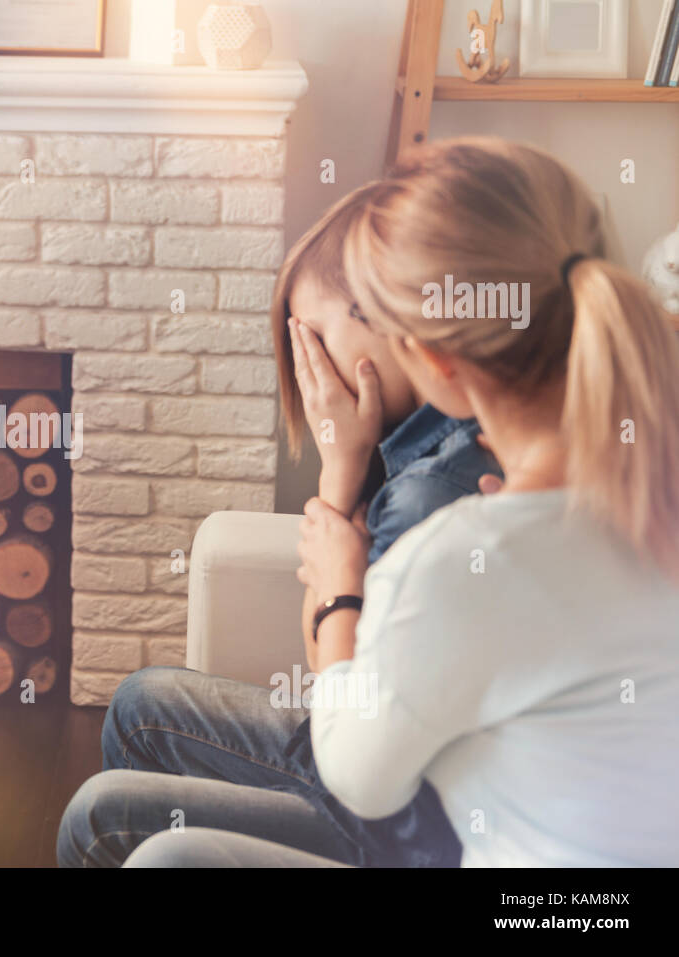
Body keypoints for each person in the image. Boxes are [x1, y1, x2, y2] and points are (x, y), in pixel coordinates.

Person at [126, 136, 679, 866]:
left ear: (430, 353)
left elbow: (355, 780)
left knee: (149, 845)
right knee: (143, 712)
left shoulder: (455, 539)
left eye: (318, 338)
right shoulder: (629, 490)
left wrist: (338, 591)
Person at [57, 180, 501, 868]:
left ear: (385, 314)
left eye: (316, 337)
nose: (310, 368)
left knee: (101, 815)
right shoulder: (423, 450)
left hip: (386, 816)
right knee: (140, 701)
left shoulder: (428, 495)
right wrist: (342, 466)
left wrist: (340, 550)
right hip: (369, 759)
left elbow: (344, 729)